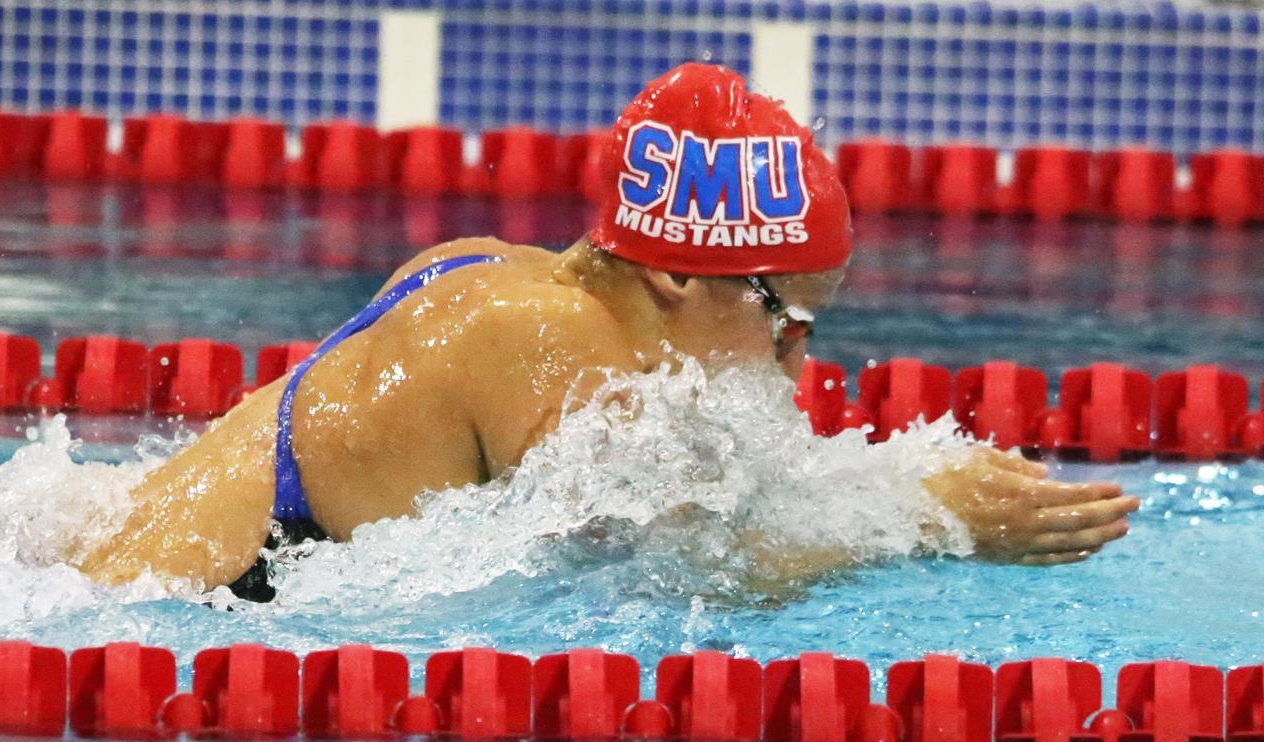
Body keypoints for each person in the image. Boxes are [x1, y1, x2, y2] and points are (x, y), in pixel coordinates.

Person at [78, 63, 1137, 599]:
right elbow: (685, 575)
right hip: (172, 642)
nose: (796, 363)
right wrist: (924, 517)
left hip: (104, 584)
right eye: (783, 318)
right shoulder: (550, 348)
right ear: (679, 270)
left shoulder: (482, 269)